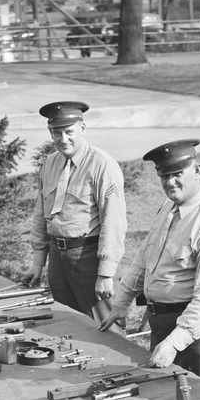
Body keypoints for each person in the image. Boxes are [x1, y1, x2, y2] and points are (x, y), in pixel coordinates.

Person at [99, 139, 200, 386]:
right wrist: (121, 303)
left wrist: (175, 341)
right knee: (165, 394)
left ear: (197, 171)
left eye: (177, 174)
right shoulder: (168, 207)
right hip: (164, 323)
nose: (170, 182)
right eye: (164, 175)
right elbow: (144, 259)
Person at [26, 101, 127, 317]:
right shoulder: (50, 163)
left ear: (82, 129)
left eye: (69, 132)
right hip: (57, 258)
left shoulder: (102, 165)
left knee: (104, 327)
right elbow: (40, 214)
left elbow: (114, 223)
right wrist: (38, 262)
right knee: (68, 324)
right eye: (56, 133)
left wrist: (106, 274)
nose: (63, 139)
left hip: (89, 258)